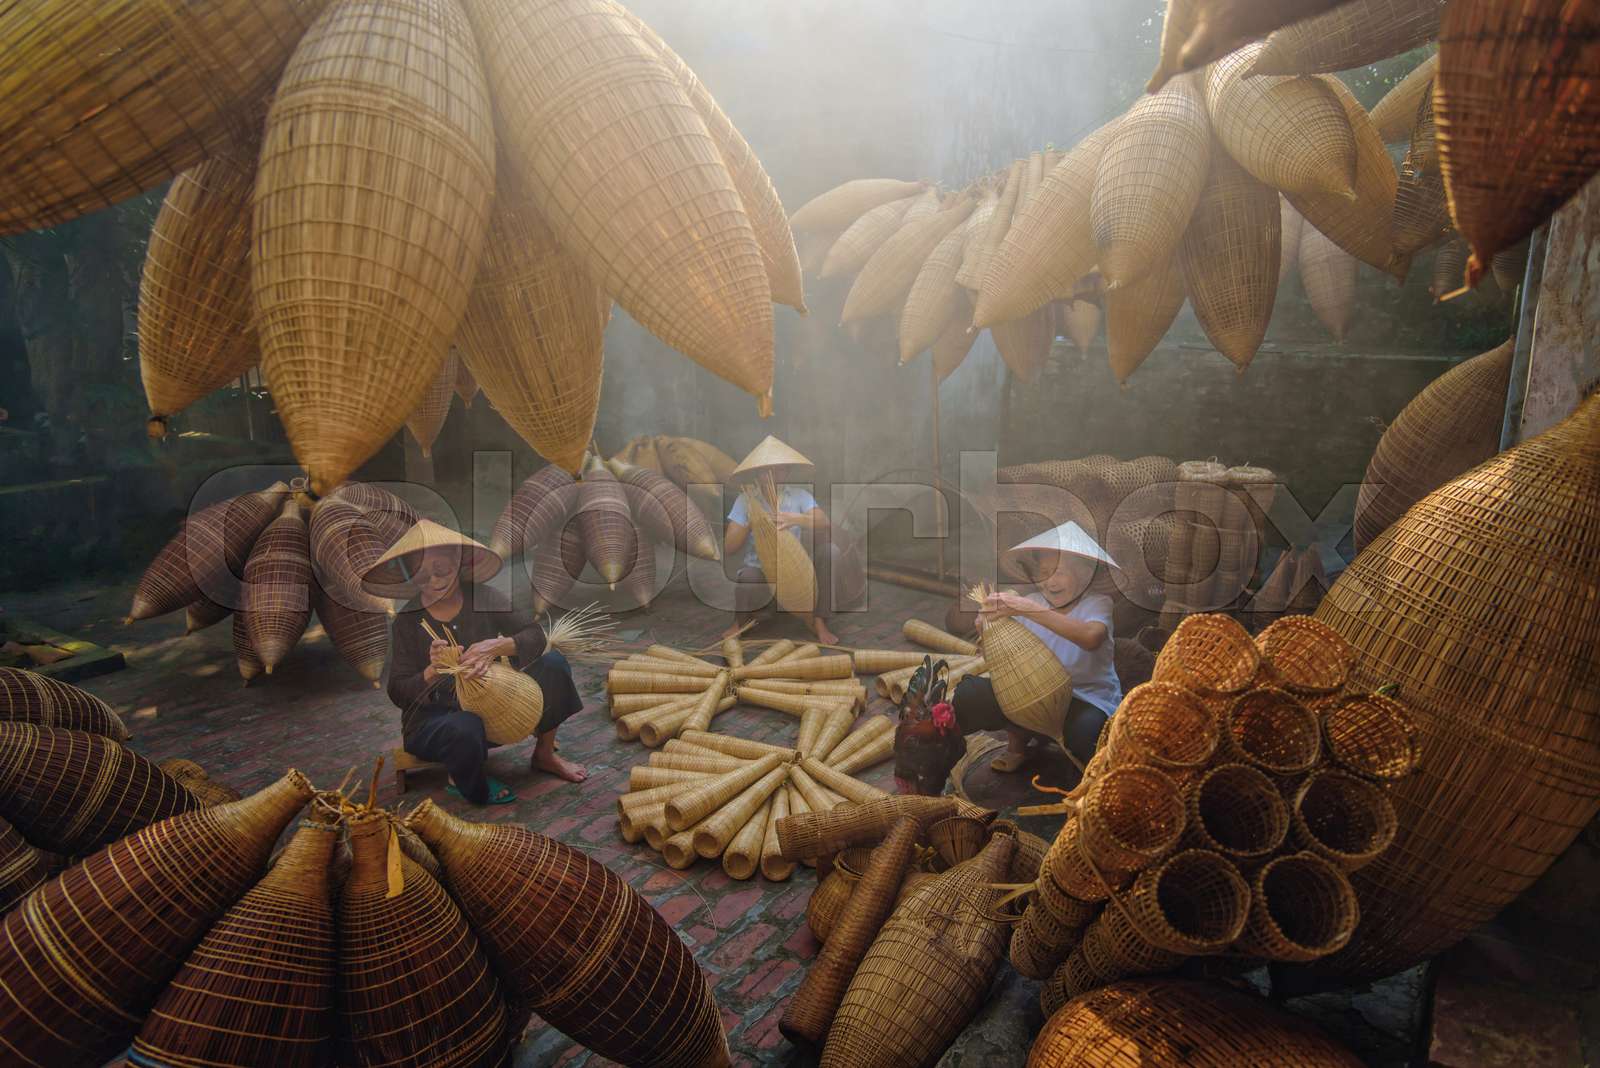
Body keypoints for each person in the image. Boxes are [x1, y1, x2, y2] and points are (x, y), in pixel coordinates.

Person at [891, 522, 1123, 795]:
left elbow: (1090, 637)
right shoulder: (1031, 602)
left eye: (1059, 572)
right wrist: (986, 630)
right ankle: (1017, 742)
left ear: (1084, 574)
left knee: (1088, 739)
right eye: (1044, 573)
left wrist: (1029, 609)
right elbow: (1004, 664)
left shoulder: (1096, 604)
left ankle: (1046, 749)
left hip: (1082, 699)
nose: (1050, 581)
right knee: (970, 695)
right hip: (1033, 695)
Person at [368, 519, 586, 805]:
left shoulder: (482, 596)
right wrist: (432, 672)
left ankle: (545, 755)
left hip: (492, 703)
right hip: (437, 722)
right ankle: (462, 779)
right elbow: (398, 690)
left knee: (554, 665)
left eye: (441, 570)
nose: (433, 582)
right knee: (465, 725)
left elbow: (535, 636)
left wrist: (497, 646)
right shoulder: (409, 621)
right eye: (421, 576)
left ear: (457, 564)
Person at [722, 434, 842, 646]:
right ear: (758, 474)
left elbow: (823, 521)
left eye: (782, 469)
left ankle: (818, 620)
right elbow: (730, 547)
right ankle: (739, 622)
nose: (776, 475)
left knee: (830, 552)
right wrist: (754, 517)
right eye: (769, 470)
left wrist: (796, 518)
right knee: (748, 577)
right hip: (761, 572)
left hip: (796, 571)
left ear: (788, 471)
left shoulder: (799, 496)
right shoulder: (746, 500)